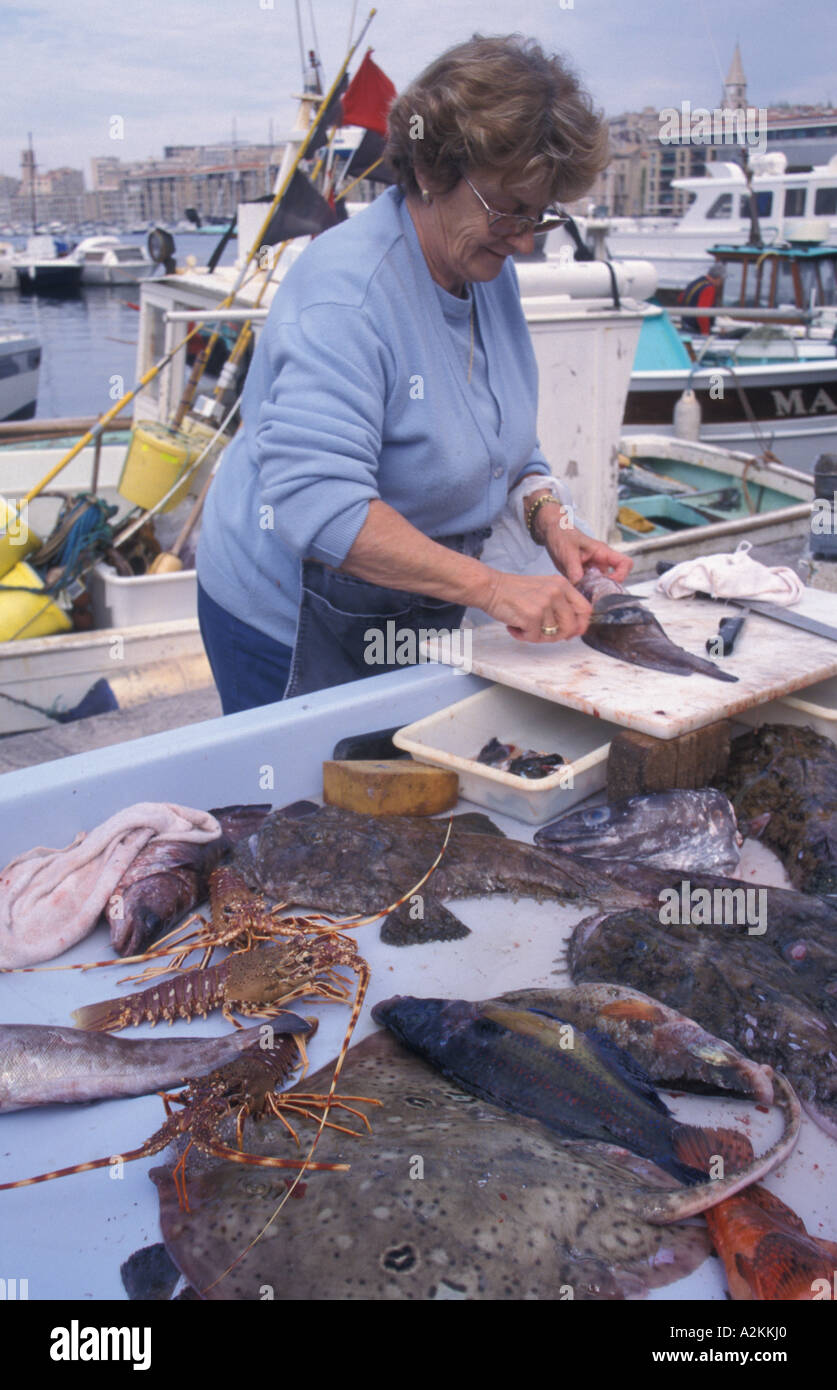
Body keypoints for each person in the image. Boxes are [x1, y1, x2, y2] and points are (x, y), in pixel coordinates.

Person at [196, 34, 633, 713]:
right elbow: (323, 510)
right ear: (431, 170)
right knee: (300, 808)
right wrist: (493, 587)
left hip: (404, 607)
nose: (523, 240)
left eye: (539, 214)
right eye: (508, 210)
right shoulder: (348, 297)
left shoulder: (484, 268)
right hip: (283, 617)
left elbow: (504, 446)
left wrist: (551, 520)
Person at [679, 266, 724, 336]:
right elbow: (702, 314)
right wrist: (705, 333)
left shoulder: (696, 282)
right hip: (694, 330)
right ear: (718, 278)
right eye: (722, 279)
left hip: (685, 324)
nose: (722, 282)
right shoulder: (709, 288)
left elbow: (681, 298)